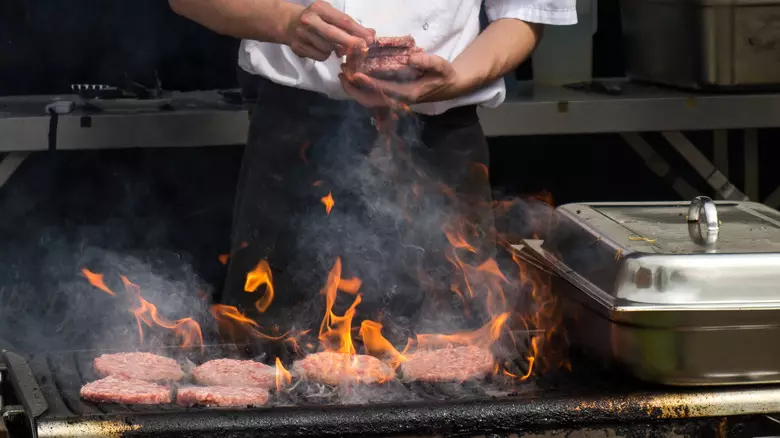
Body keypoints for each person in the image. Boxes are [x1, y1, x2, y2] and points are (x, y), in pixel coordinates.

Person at [169, 0, 576, 330]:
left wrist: (454, 79)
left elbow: (526, 13)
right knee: (268, 352)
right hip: (296, 144)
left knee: (453, 353)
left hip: (437, 139)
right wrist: (287, 22)